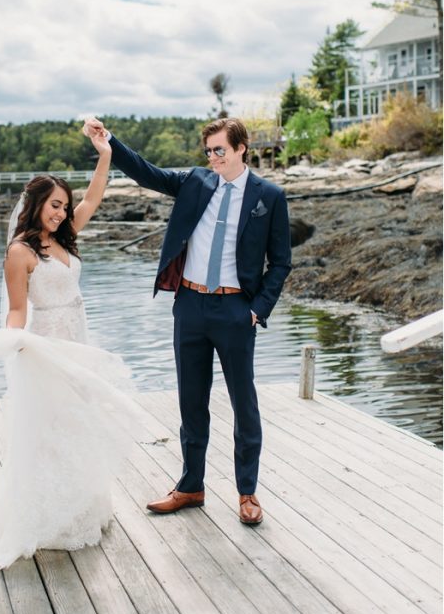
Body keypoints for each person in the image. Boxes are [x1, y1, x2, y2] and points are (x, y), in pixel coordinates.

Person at [82, 116, 291, 525]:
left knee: (243, 404)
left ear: (241, 148)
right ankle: (191, 486)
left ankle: (247, 492)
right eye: (209, 150)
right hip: (191, 307)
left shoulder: (269, 196)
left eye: (220, 150)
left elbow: (281, 262)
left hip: (236, 312)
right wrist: (108, 141)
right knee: (191, 403)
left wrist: (256, 310)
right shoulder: (196, 181)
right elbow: (146, 172)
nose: (213, 158)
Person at [0, 128, 139, 568]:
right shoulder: (20, 252)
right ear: (35, 204)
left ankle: (79, 507)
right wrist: (16, 345)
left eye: (64, 206)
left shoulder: (66, 235)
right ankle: (47, 517)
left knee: (79, 423)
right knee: (53, 429)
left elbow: (93, 198)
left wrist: (105, 155)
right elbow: (17, 311)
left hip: (78, 339)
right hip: (49, 346)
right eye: (55, 205)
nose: (62, 212)